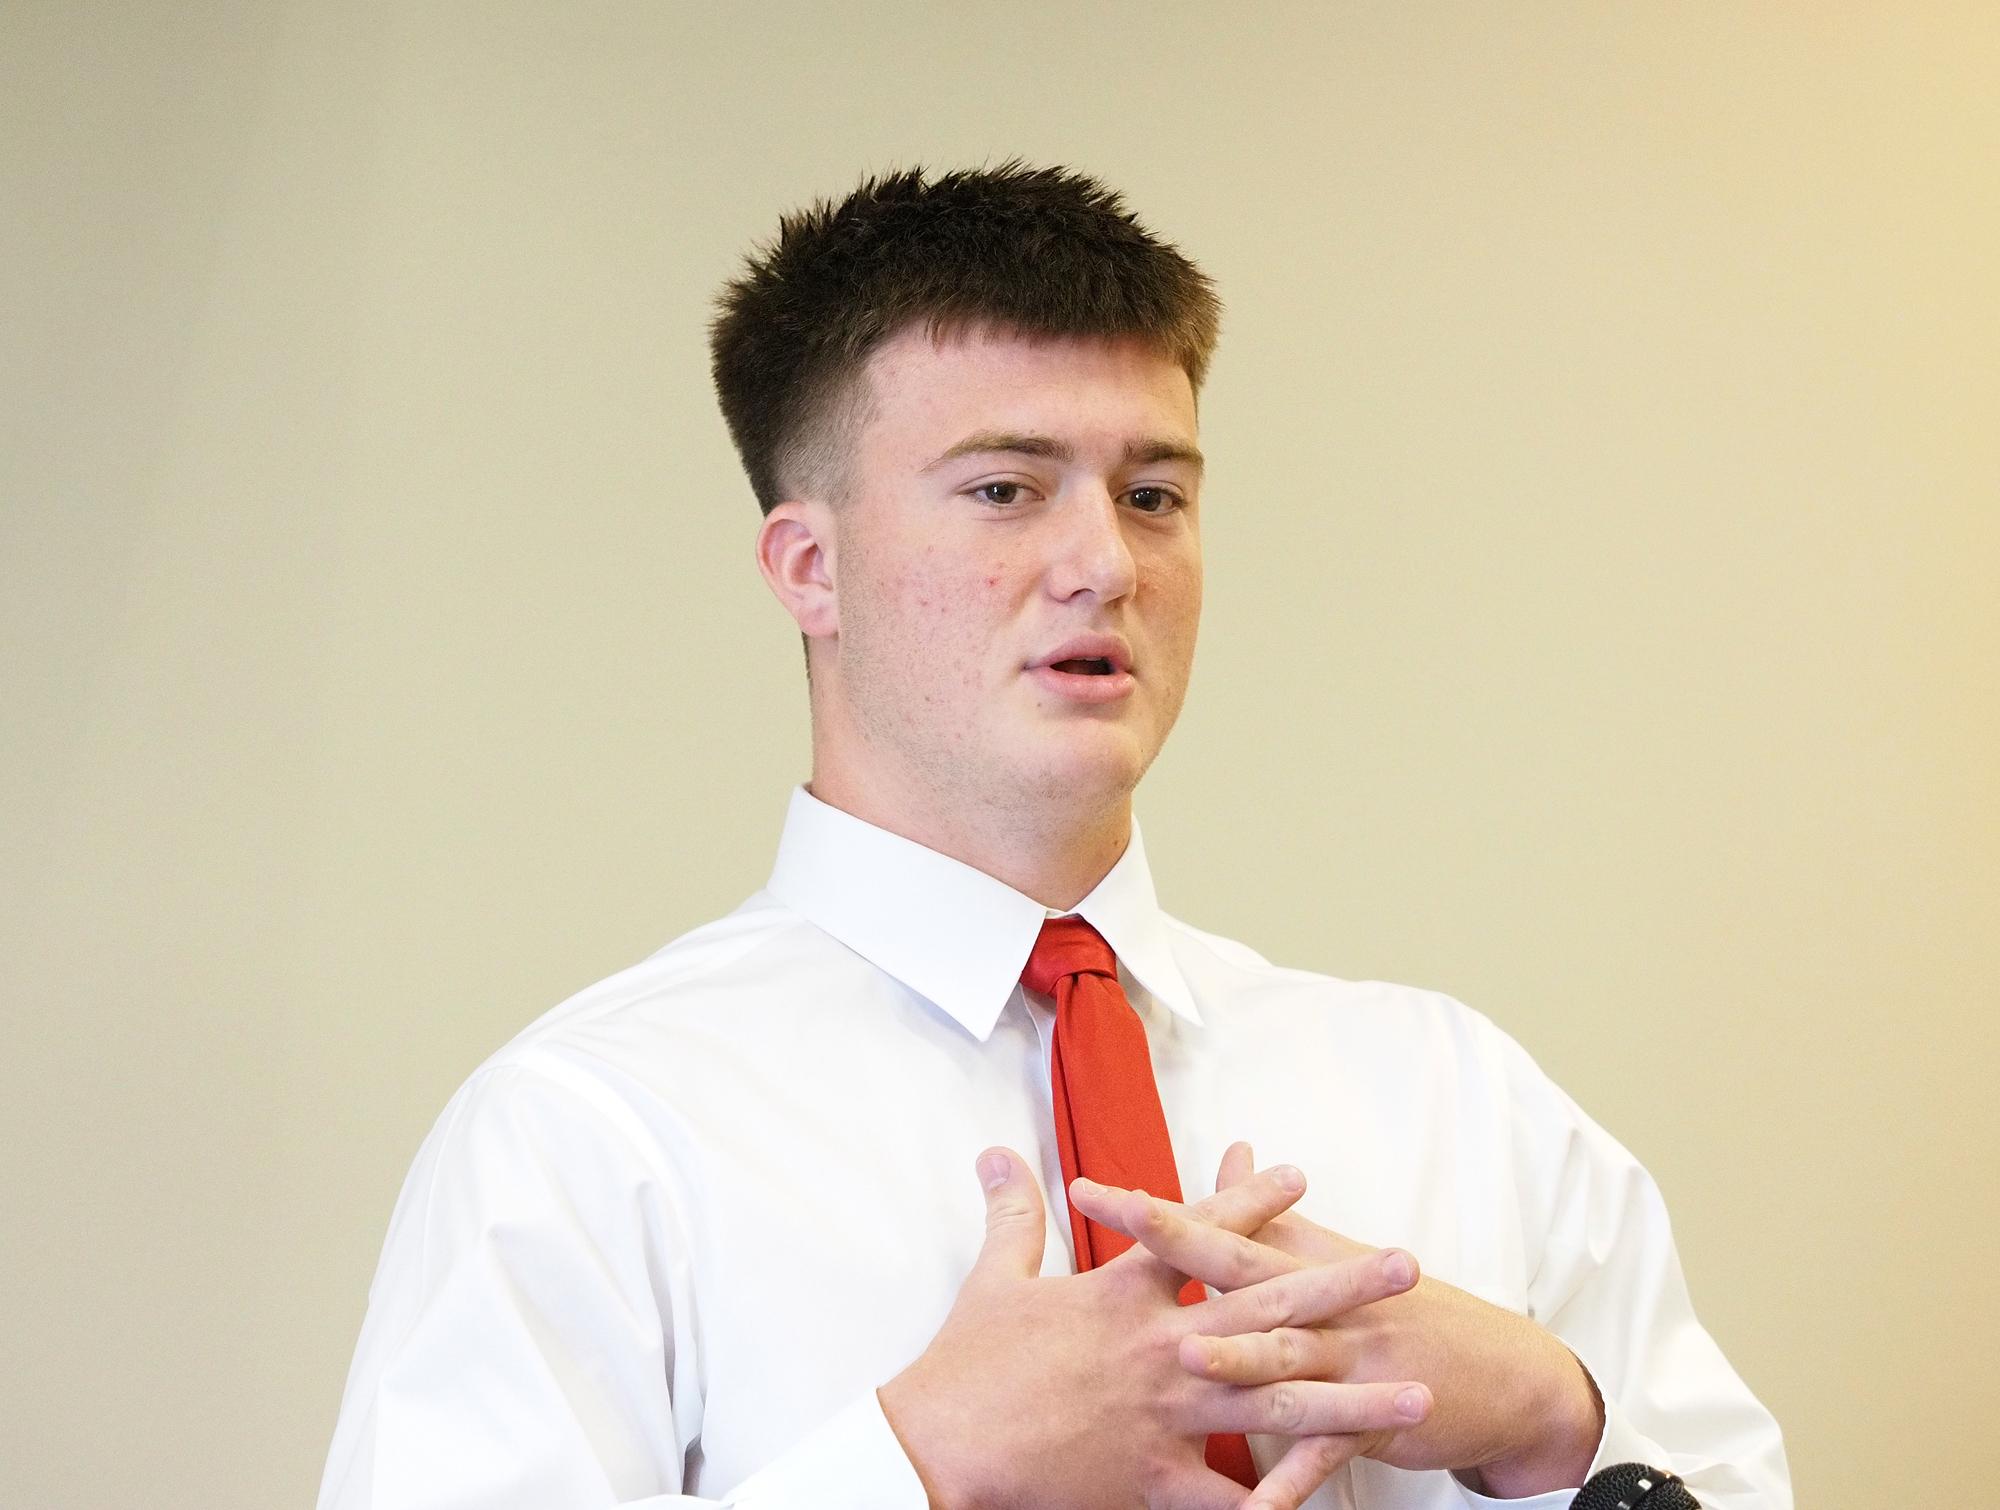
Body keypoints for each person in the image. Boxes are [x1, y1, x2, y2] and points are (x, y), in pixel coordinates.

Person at [318, 164, 1790, 1510]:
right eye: (1007, 490)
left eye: (1154, 495)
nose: (1103, 565)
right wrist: (911, 1468)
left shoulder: (1462, 1104)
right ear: (809, 565)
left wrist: (1551, 1417)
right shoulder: (589, 1138)